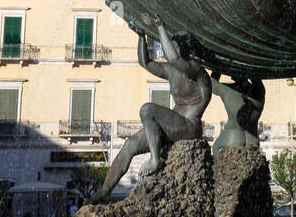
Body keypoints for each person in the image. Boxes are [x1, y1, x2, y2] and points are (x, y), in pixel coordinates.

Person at [91, 15, 213, 202]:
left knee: (147, 109)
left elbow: (172, 58)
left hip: (189, 127)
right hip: (173, 126)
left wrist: (160, 27)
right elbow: (145, 62)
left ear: (184, 48)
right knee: (130, 144)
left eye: (175, 44)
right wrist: (141, 36)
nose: (171, 47)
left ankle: (155, 160)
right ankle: (104, 191)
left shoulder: (198, 72)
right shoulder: (172, 71)